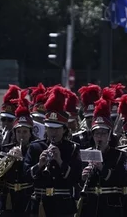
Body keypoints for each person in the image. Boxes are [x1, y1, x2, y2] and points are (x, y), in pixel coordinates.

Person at [25, 86, 83, 217]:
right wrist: (39, 165)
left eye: (57, 129)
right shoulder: (35, 147)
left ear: (64, 129)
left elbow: (76, 179)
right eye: (50, 128)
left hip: (63, 206)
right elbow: (26, 176)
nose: (53, 132)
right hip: (40, 204)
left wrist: (60, 162)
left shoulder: (72, 148)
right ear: (45, 129)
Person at [78, 93, 124, 217]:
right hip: (90, 207)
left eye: (103, 133)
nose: (100, 137)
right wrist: (82, 178)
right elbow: (76, 182)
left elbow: (120, 180)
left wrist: (102, 168)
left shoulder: (118, 155)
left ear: (109, 135)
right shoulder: (86, 153)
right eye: (97, 133)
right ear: (92, 135)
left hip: (110, 208)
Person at [0, 98, 37, 216]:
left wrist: (22, 159)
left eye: (25, 132)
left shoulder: (36, 149)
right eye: (18, 131)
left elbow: (32, 175)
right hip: (9, 196)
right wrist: (6, 161)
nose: (21, 135)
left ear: (30, 133)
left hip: (27, 196)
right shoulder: (6, 147)